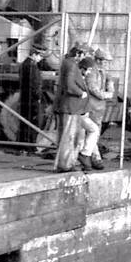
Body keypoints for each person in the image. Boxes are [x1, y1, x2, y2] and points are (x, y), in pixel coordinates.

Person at [54, 43, 89, 172]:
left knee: (65, 136)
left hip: (67, 106)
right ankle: (65, 164)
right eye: (83, 54)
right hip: (71, 106)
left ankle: (64, 163)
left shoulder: (66, 62)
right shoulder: (72, 65)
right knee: (68, 136)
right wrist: (81, 93)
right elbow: (69, 85)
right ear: (78, 53)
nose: (83, 58)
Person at [79, 47, 115, 170]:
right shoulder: (92, 71)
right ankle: (95, 157)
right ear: (99, 60)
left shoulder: (101, 71)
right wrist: (106, 94)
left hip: (98, 107)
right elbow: (93, 88)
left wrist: (110, 84)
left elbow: (109, 78)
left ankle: (93, 157)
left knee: (93, 132)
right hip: (92, 106)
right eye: (105, 61)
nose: (107, 64)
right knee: (93, 131)